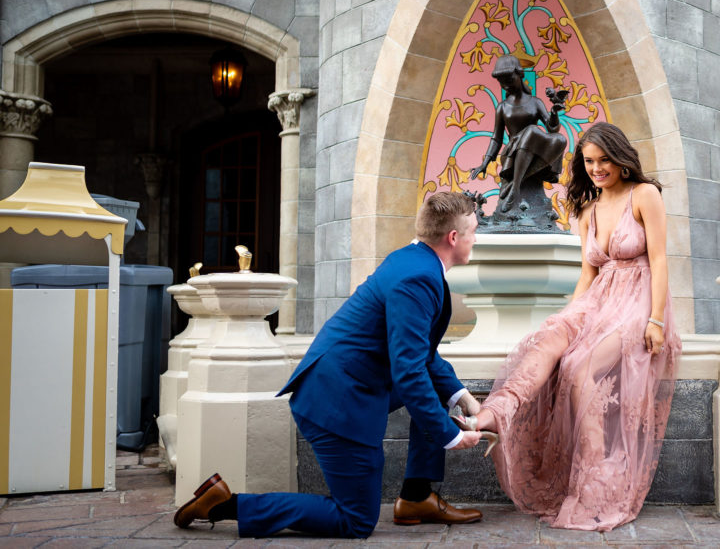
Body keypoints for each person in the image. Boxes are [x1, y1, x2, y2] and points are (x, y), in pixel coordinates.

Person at [173, 192, 490, 538]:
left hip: (349, 385)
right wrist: (451, 436)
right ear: (454, 237)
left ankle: (416, 497)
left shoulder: (414, 261)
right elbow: (409, 371)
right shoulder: (420, 277)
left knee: (432, 398)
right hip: (337, 401)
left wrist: (464, 399)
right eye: (474, 230)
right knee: (355, 521)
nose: (477, 237)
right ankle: (225, 504)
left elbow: (422, 354)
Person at [460, 122, 681, 531]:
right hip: (599, 298)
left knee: (579, 369)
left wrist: (655, 320)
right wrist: (568, 317)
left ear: (621, 158)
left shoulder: (644, 195)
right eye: (590, 162)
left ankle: (596, 480)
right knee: (546, 342)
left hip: (638, 300)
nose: (597, 169)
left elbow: (661, 260)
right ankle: (493, 415)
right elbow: (588, 273)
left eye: (604, 161)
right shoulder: (588, 208)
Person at [469, 54, 567, 213]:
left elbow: (552, 129)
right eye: (501, 82)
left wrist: (554, 114)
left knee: (560, 139)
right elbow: (496, 138)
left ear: (519, 75)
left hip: (533, 151)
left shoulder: (535, 102)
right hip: (512, 153)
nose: (505, 85)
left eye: (508, 80)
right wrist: (485, 163)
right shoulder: (502, 107)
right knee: (532, 130)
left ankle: (516, 183)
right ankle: (515, 188)